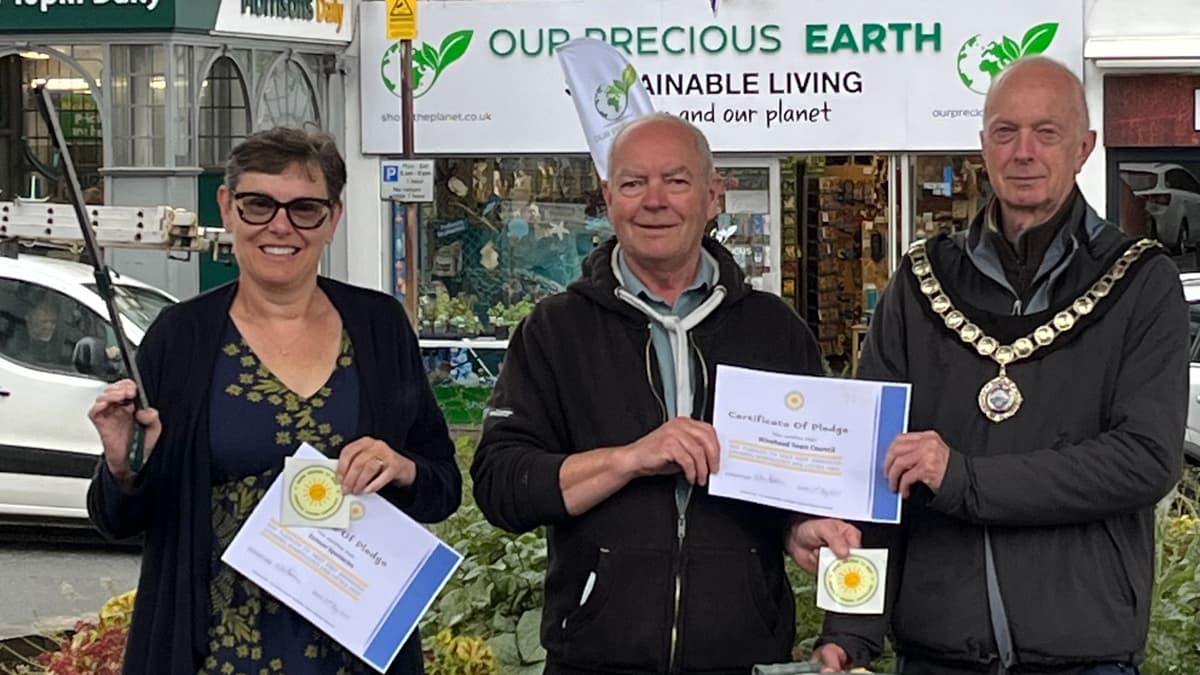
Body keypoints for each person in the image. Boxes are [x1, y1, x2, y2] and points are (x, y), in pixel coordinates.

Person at [814, 57, 1188, 675]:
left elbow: (1144, 460)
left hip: (1083, 649)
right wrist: (847, 631)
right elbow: (870, 460)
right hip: (936, 649)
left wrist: (963, 479)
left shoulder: (1142, 282)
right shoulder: (921, 279)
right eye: (1005, 131)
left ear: (1084, 147)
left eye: (1047, 132)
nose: (1024, 152)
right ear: (982, 143)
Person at [471, 112, 862, 675]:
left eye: (676, 181)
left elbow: (810, 484)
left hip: (743, 658)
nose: (655, 201)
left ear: (713, 197)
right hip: (595, 660)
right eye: (633, 183)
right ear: (609, 198)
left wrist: (799, 528)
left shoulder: (775, 331)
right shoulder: (556, 330)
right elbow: (501, 487)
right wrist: (629, 460)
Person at [86, 128, 462, 675]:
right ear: (227, 208)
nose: (279, 226)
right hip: (212, 654)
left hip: (355, 653)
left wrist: (403, 468)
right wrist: (123, 466)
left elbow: (442, 487)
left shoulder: (379, 327)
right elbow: (118, 521)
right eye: (258, 204)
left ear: (332, 219)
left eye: (304, 209)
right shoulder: (180, 338)